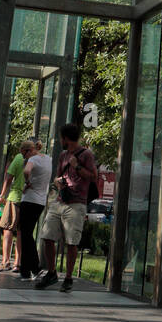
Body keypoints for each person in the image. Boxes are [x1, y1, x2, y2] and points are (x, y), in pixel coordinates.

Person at [34, 123, 98, 292]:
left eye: (62, 138)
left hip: (76, 203)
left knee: (71, 242)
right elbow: (57, 176)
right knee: (47, 236)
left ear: (66, 138)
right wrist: (57, 181)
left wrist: (77, 166)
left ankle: (68, 278)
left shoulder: (87, 155)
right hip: (60, 199)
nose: (61, 140)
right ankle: (52, 272)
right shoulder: (63, 155)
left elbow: (93, 177)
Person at [0, 138, 35, 273]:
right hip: (29, 200)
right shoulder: (37, 161)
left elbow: (8, 178)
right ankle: (18, 262)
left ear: (23, 150)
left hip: (15, 198)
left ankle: (5, 261)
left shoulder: (18, 158)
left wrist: (2, 196)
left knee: (7, 229)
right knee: (21, 232)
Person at [18, 138, 51, 281]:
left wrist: (27, 182)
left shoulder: (34, 159)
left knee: (25, 234)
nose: (24, 158)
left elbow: (27, 171)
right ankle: (26, 270)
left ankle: (35, 268)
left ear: (29, 151)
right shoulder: (48, 159)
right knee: (27, 234)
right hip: (40, 201)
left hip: (30, 200)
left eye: (24, 155)